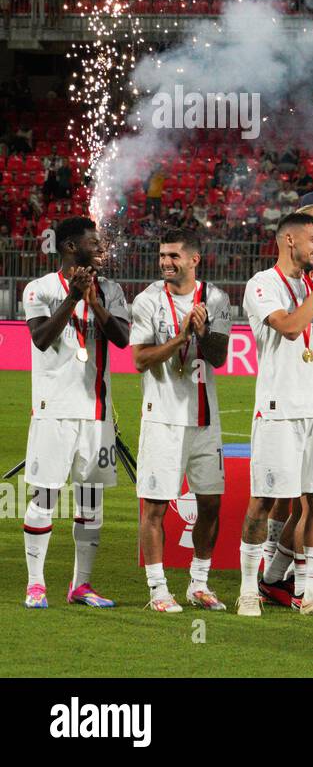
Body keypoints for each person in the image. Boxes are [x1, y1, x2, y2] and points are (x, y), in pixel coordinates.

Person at [237, 212, 313, 618]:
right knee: (266, 498)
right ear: (288, 240)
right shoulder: (262, 284)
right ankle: (249, 589)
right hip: (280, 411)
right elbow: (289, 327)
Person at [21, 216, 130, 609]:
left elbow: (122, 340)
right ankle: (36, 584)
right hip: (54, 411)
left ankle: (80, 586)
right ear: (70, 247)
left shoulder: (112, 290)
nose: (102, 248)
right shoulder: (40, 289)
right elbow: (41, 339)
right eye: (94, 242)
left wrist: (95, 303)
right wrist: (73, 298)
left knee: (90, 502)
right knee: (45, 495)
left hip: (97, 412)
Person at [130, 228, 232, 612]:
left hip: (206, 419)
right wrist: (180, 337)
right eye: (162, 255)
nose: (166, 263)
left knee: (211, 504)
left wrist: (203, 333)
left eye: (174, 256)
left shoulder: (216, 298)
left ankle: (199, 584)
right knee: (155, 507)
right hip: (163, 419)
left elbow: (218, 357)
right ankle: (158, 590)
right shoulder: (147, 301)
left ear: (194, 260)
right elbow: (140, 359)